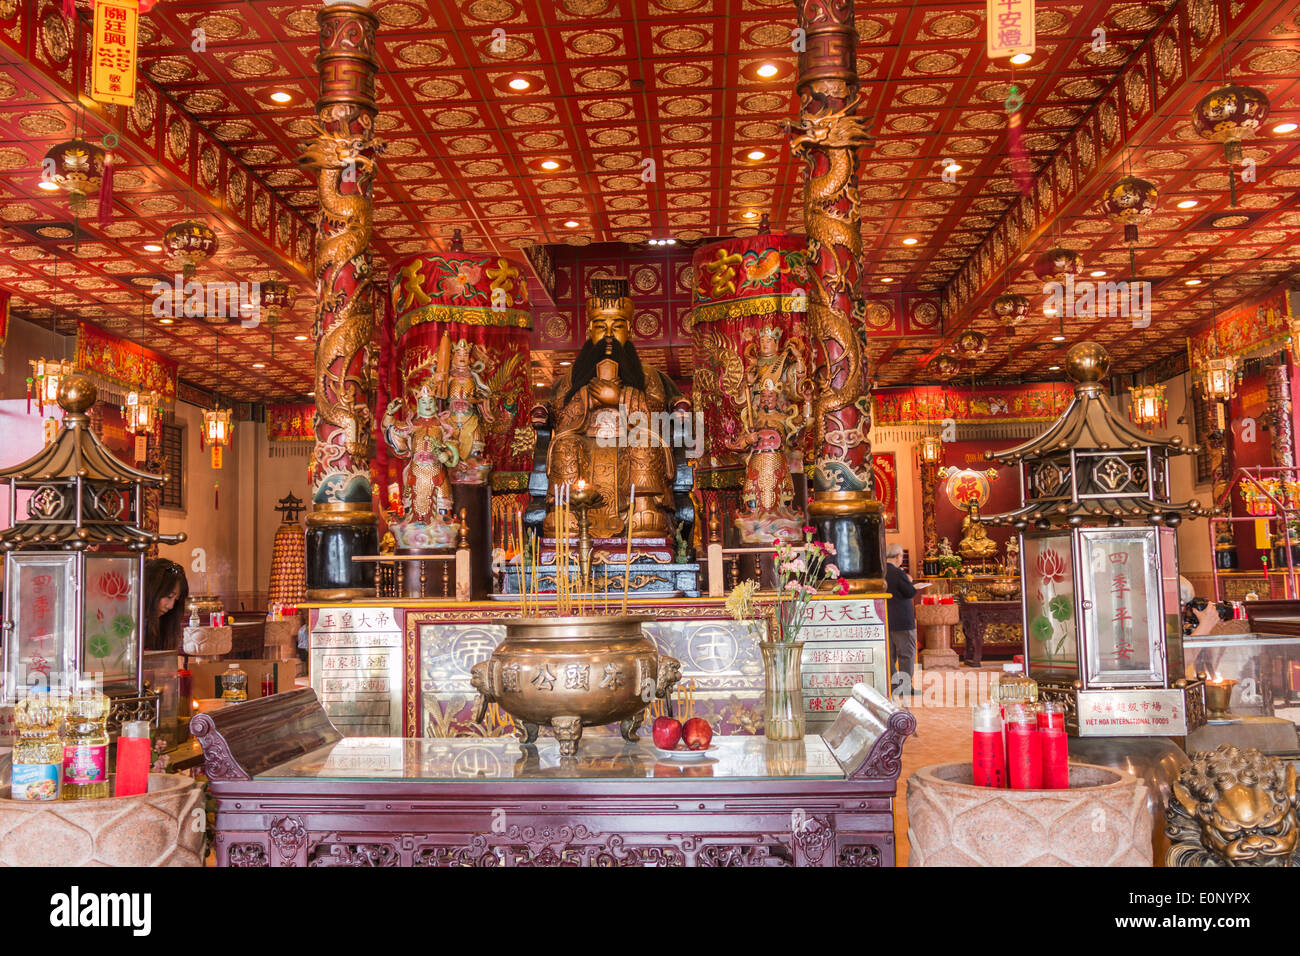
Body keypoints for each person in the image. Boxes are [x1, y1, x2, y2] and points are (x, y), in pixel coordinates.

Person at [884, 543, 918, 698]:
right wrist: (909, 581)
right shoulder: (898, 573)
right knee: (906, 654)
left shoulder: (881, 572)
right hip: (902, 620)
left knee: (889, 655)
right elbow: (910, 592)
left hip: (886, 619)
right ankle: (905, 686)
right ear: (898, 556)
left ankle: (893, 685)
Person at [144, 558, 189, 652]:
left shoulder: (163, 624)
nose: (171, 606)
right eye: (169, 596)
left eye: (175, 600)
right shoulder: (130, 622)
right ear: (152, 590)